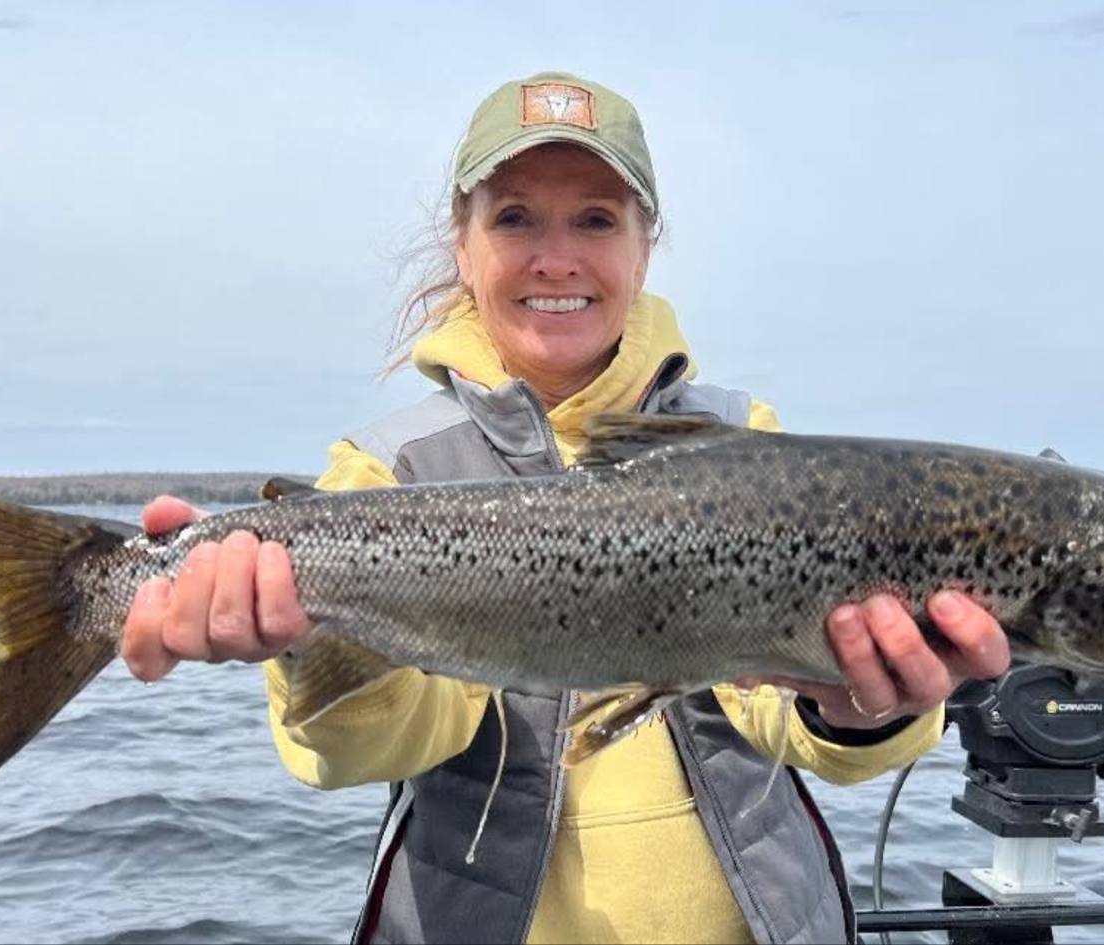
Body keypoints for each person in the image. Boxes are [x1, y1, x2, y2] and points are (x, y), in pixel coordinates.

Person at [118, 71, 1011, 944]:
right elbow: (364, 748)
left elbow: (779, 717)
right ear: (462, 244)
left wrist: (864, 708)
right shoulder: (388, 469)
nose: (557, 258)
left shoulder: (745, 441)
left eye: (596, 219)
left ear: (643, 246)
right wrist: (309, 645)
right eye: (515, 218)